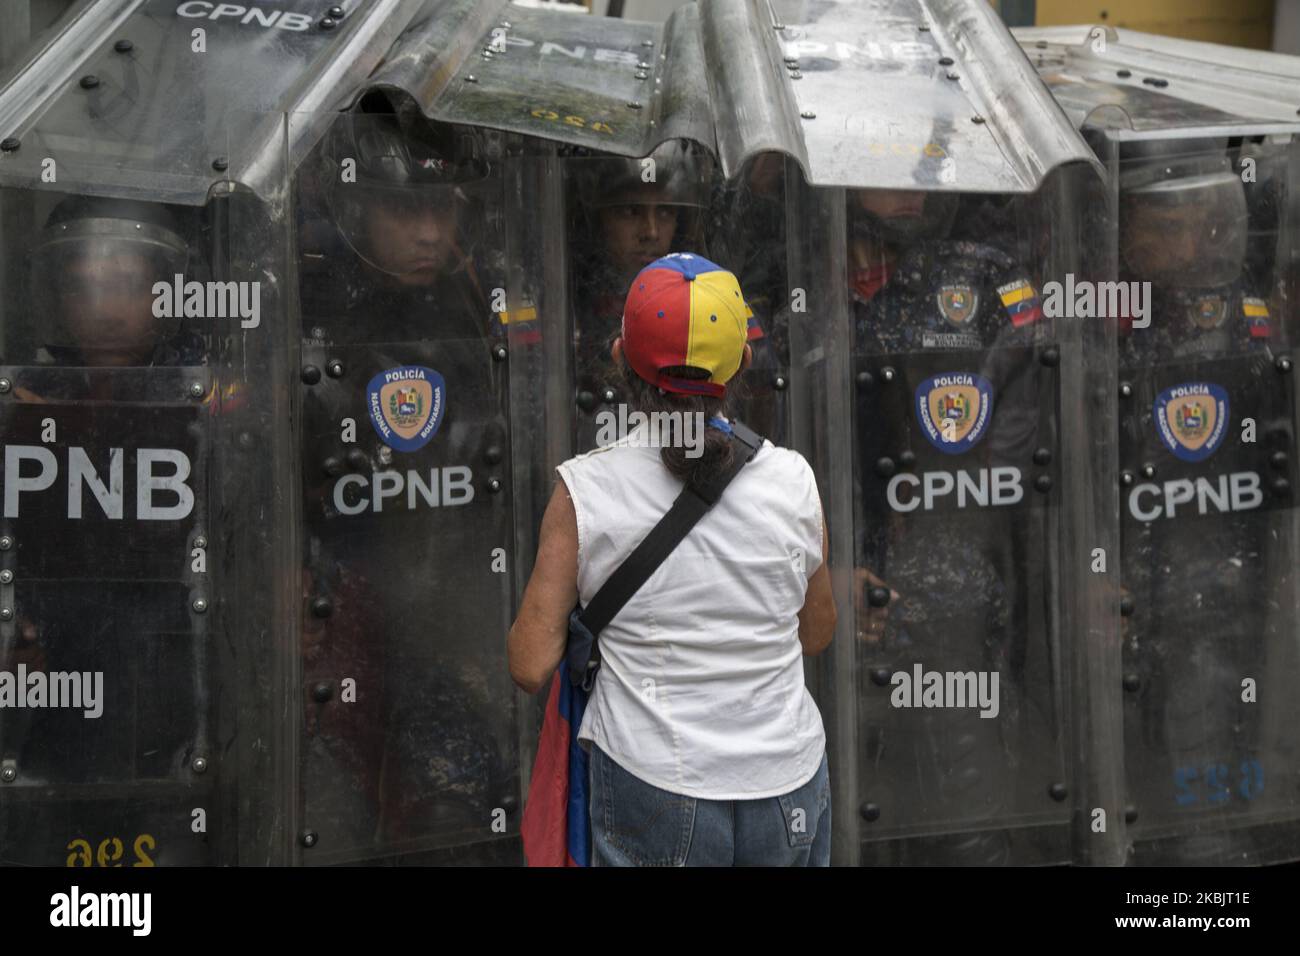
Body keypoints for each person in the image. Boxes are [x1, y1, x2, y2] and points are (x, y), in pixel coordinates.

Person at [508, 251, 836, 866]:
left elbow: (528, 664)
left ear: (619, 357)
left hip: (654, 782)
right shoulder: (794, 480)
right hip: (788, 781)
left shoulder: (585, 492)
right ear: (741, 361)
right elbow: (817, 632)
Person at [296, 96, 513, 860]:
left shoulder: (489, 319)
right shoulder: (299, 314)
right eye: (401, 209)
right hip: (337, 624)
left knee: (448, 819)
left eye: (441, 210)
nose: (428, 233)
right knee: (331, 817)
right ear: (356, 209)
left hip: (456, 617)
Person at [849, 186, 1048, 864]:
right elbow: (807, 436)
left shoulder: (986, 273)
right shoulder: (818, 261)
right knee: (866, 790)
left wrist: (979, 534)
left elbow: (1022, 431)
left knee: (967, 779)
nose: (900, 189)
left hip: (963, 557)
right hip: (855, 569)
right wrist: (842, 556)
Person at [1115, 142, 1281, 861]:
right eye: (1167, 226)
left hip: (1229, 568)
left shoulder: (1248, 314)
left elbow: (1276, 435)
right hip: (1124, 566)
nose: (1191, 247)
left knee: (1220, 717)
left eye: (1206, 225)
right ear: (1124, 228)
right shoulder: (1094, 314)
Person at [566, 141, 772, 450]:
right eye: (630, 211)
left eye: (664, 212)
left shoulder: (719, 303)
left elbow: (756, 415)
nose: (650, 231)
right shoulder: (567, 309)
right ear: (598, 219)